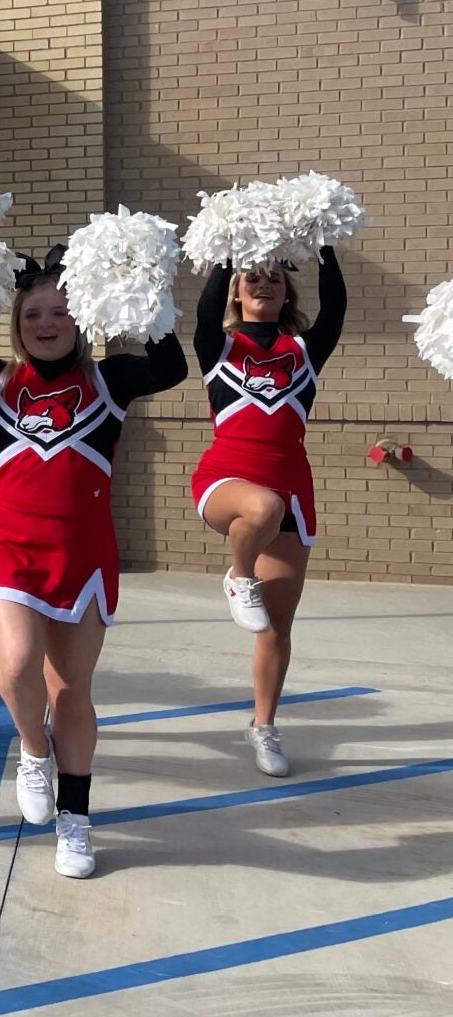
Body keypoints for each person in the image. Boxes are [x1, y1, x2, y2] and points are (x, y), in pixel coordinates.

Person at [0, 259, 186, 879]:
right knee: (17, 667)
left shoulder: (110, 378)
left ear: (81, 318)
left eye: (60, 312)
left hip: (83, 553)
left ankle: (76, 821)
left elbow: (171, 366)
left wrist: (137, 283)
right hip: (10, 545)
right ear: (15, 324)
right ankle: (34, 751)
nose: (46, 324)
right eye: (32, 314)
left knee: (70, 692)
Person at [192, 250, 345, 777]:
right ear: (236, 292)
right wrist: (225, 251)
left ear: (287, 292)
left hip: (293, 488)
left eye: (275, 278)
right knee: (262, 507)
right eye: (252, 278)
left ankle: (263, 726)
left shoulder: (304, 349)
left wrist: (325, 248)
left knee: (277, 624)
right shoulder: (219, 347)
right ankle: (239, 575)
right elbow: (205, 310)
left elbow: (335, 309)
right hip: (226, 480)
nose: (264, 284)